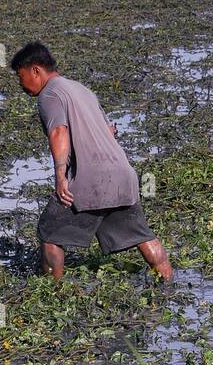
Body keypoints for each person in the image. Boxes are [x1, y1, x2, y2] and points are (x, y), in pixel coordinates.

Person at [10, 42, 172, 282]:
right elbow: (109, 130)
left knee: (49, 231)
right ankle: (168, 283)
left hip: (92, 178)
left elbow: (59, 132)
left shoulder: (49, 94)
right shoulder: (82, 90)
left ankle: (52, 293)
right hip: (123, 175)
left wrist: (60, 176)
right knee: (142, 235)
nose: (20, 84)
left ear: (36, 70)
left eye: (20, 77)